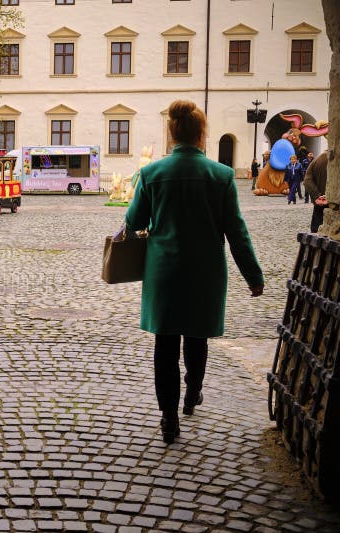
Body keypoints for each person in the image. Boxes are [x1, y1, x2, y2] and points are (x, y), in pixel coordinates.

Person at [125, 100, 264, 445]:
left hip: (165, 271)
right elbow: (236, 232)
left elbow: (134, 222)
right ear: (202, 133)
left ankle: (169, 416)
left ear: (171, 132)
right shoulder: (222, 175)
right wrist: (254, 276)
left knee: (166, 342)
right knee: (197, 337)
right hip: (205, 271)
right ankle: (192, 394)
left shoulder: (152, 173)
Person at [303, 151, 329, 233]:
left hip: (320, 201)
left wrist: (317, 196)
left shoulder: (316, 161)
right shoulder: (335, 159)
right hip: (334, 202)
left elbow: (307, 181)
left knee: (316, 228)